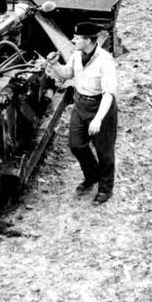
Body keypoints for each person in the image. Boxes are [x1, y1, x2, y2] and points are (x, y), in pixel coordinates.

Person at [45, 21, 118, 204]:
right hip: (80, 105)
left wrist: (98, 119)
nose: (73, 40)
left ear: (88, 40)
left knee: (104, 152)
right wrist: (55, 64)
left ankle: (105, 189)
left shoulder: (105, 60)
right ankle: (92, 176)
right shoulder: (77, 55)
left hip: (100, 107)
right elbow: (67, 74)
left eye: (77, 38)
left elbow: (109, 93)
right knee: (76, 145)